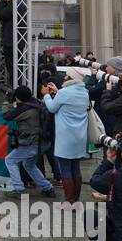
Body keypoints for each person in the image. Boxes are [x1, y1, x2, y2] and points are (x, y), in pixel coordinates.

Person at [42, 72, 89, 203]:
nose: (64, 77)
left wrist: (46, 95)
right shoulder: (84, 92)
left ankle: (69, 201)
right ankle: (76, 199)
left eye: (67, 76)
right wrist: (58, 92)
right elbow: (67, 101)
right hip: (79, 135)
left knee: (65, 169)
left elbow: (52, 108)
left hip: (65, 136)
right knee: (76, 167)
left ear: (72, 79)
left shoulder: (64, 93)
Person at [1, 85, 54, 195]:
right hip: (44, 142)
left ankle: (18, 189)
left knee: (10, 160)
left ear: (18, 97)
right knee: (28, 164)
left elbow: (7, 115)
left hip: (32, 143)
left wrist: (5, 101)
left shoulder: (24, 109)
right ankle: (47, 188)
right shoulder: (37, 103)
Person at [0, 0, 14, 75]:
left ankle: (14, 84)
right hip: (12, 39)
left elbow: (1, 15)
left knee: (10, 64)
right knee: (11, 64)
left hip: (10, 40)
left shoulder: (13, 4)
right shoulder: (15, 3)